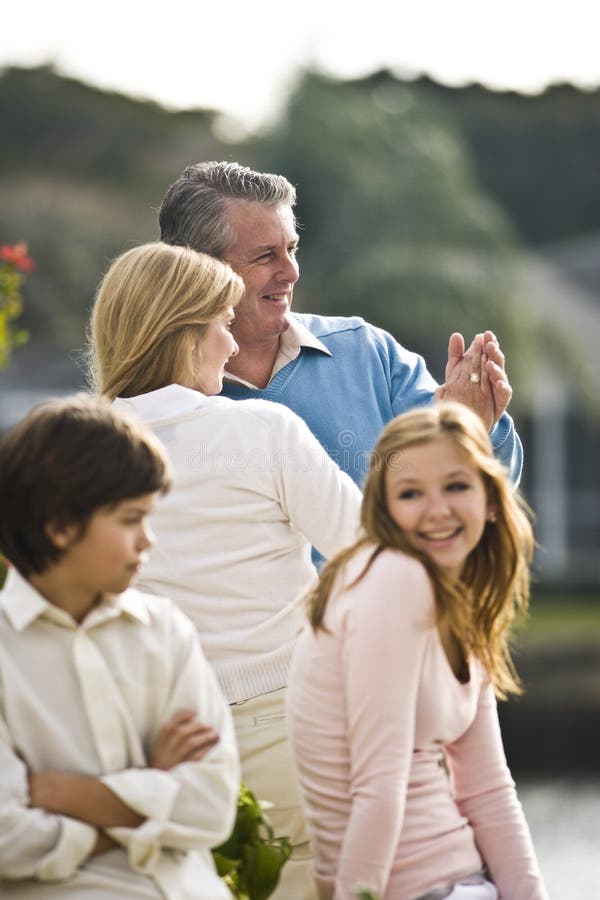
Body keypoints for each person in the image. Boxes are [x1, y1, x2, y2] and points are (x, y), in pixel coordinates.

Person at [88, 241, 362, 900]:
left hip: (156, 751)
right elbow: (374, 554)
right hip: (295, 732)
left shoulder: (78, 451)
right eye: (220, 324)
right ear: (181, 332)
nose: (233, 347)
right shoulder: (266, 432)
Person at [286, 400, 549, 900]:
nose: (437, 511)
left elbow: (487, 787)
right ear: (384, 512)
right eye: (410, 494)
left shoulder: (457, 597)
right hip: (409, 887)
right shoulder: (392, 580)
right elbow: (376, 787)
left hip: (464, 880)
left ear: (490, 499)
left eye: (456, 486)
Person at [0, 395, 240, 899]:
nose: (148, 541)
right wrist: (151, 793)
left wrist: (70, 796)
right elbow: (8, 836)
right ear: (60, 526)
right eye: (131, 520)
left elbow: (213, 805)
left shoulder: (166, 630)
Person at [158, 160, 523, 491]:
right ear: (197, 267)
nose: (292, 272)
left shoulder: (367, 352)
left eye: (293, 250)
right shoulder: (149, 397)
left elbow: (490, 485)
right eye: (266, 256)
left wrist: (475, 427)